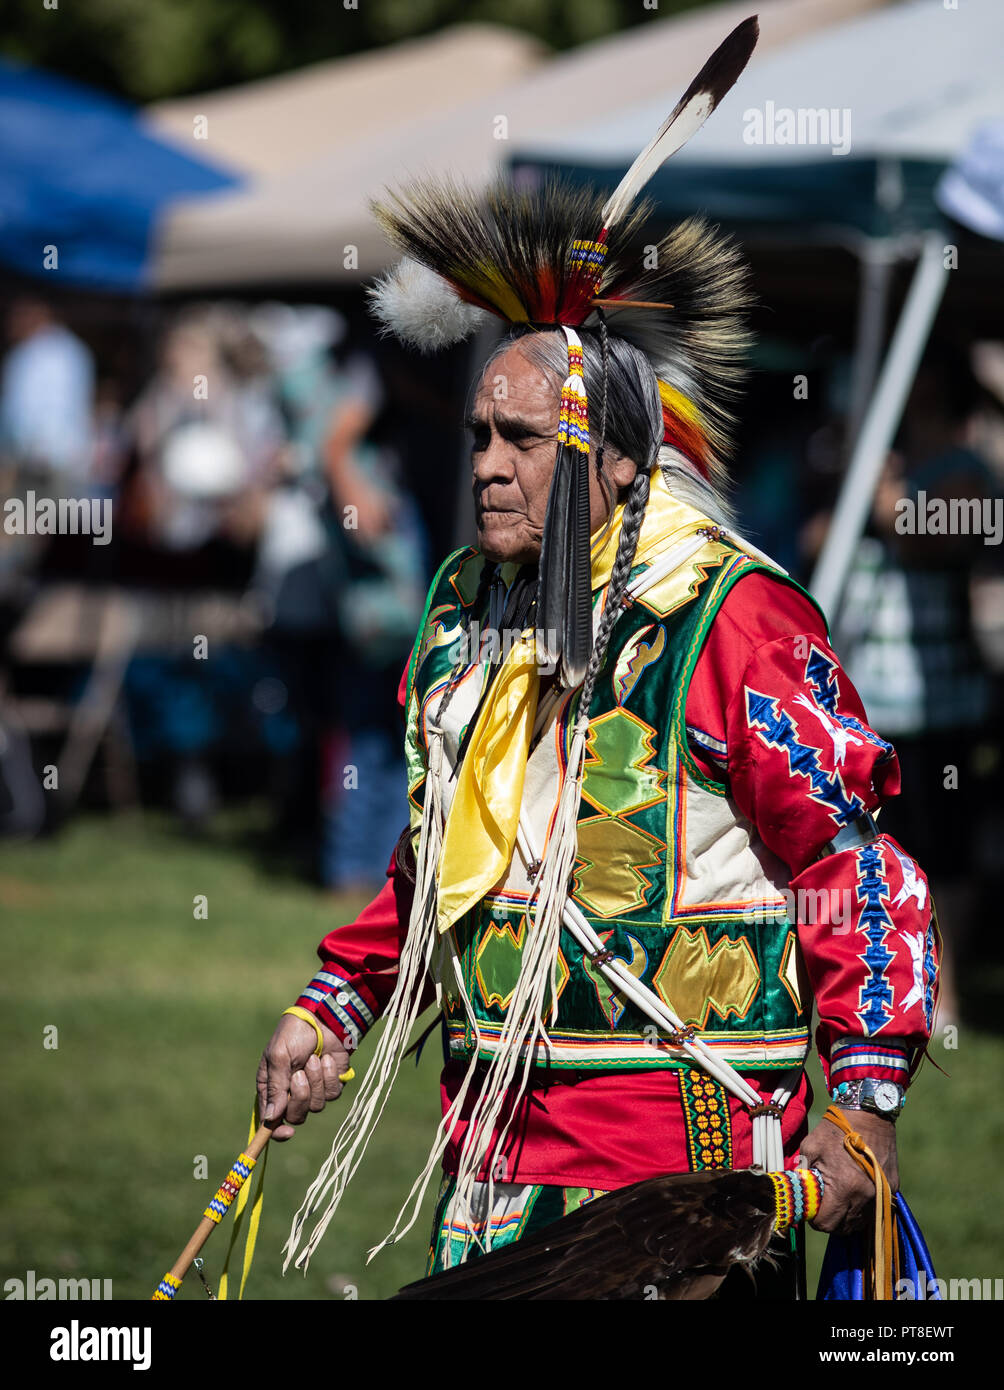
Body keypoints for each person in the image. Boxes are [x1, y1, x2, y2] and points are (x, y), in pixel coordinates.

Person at [256, 19, 939, 1295]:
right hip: (496, 1155)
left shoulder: (727, 618)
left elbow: (852, 864)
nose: (486, 467)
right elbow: (443, 859)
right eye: (476, 436)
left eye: (523, 440)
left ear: (616, 463)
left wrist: (861, 1098)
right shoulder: (467, 619)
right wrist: (331, 1006)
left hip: (679, 1170)